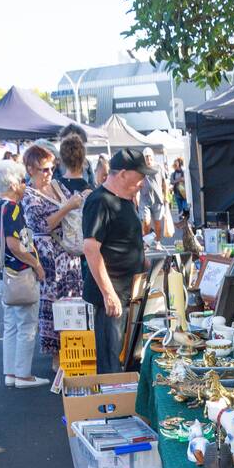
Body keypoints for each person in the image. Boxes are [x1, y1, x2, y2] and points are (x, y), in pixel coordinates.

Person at [81, 147, 149, 373]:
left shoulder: (126, 199)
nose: (142, 181)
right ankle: (113, 405)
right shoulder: (99, 201)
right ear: (122, 174)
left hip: (129, 289)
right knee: (110, 359)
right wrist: (108, 294)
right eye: (139, 176)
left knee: (127, 355)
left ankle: (125, 402)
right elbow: (91, 249)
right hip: (113, 293)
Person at [21, 144, 84, 370]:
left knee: (72, 303)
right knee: (53, 307)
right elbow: (41, 226)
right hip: (49, 258)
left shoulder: (57, 186)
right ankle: (57, 357)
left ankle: (73, 350)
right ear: (30, 169)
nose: (49, 173)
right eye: (44, 169)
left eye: (51, 168)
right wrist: (67, 207)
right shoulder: (28, 196)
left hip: (69, 255)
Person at [0, 159, 47, 388]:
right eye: (22, 180)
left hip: (3, 273)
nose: (25, 184)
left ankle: (11, 373)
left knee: (10, 324)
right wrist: (36, 264)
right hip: (20, 272)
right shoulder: (12, 208)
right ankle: (23, 375)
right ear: (13, 183)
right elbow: (15, 244)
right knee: (27, 325)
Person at [138, 147, 167, 242]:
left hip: (158, 200)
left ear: (153, 157)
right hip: (144, 200)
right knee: (146, 222)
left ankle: (158, 241)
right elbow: (136, 182)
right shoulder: (141, 169)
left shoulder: (158, 167)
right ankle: (147, 242)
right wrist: (135, 197)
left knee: (158, 224)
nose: (148, 160)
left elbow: (164, 182)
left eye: (150, 157)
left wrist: (166, 196)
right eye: (146, 157)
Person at [54, 124, 96, 188]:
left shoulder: (87, 164)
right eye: (67, 143)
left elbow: (92, 186)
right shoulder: (55, 164)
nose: (70, 147)